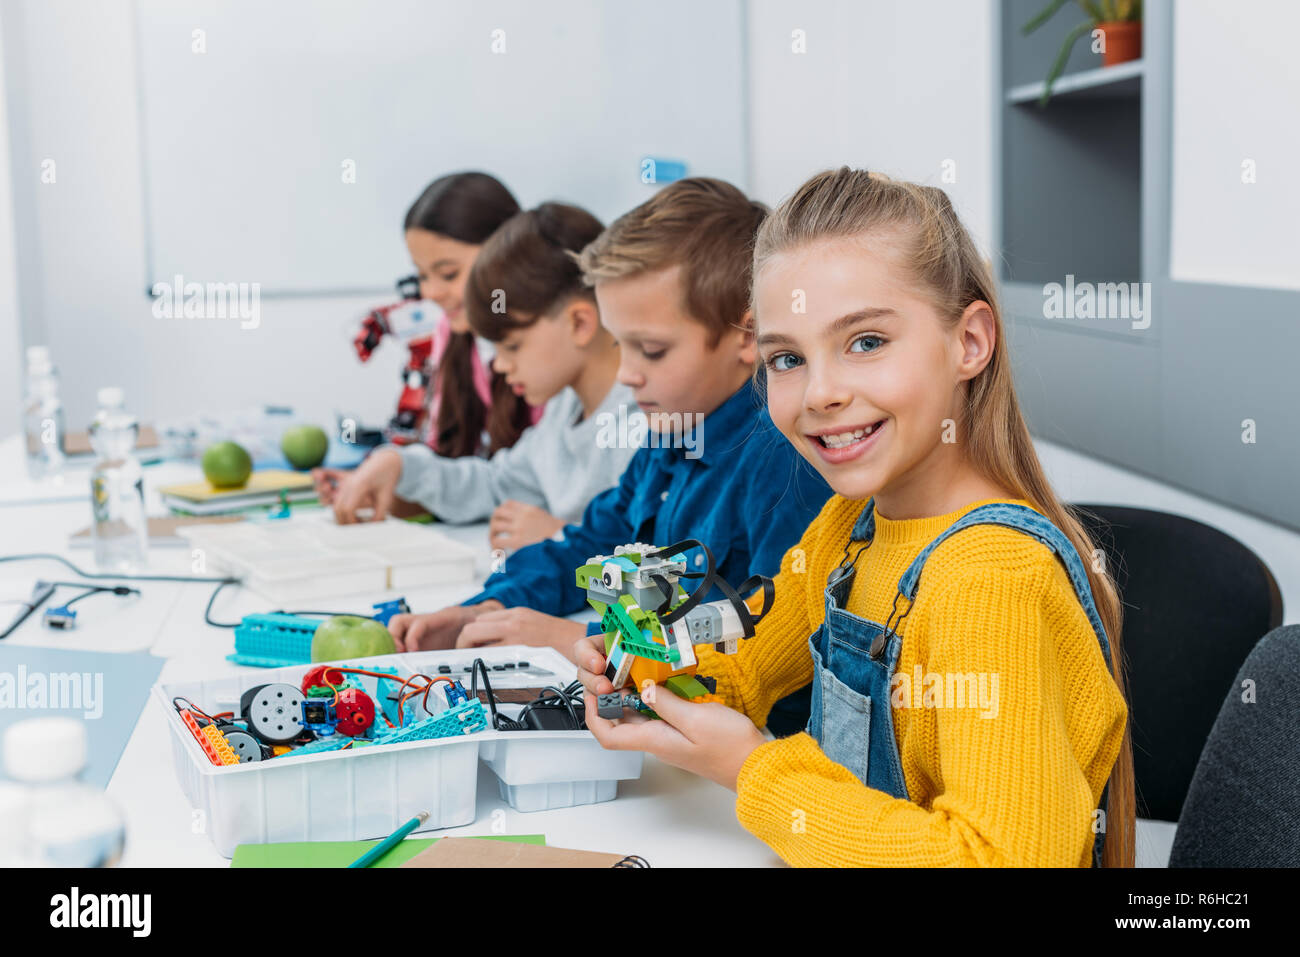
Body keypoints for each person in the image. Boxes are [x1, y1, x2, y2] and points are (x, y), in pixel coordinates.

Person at [574, 168, 1134, 867]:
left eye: (865, 341)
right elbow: (744, 667)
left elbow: (998, 859)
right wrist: (651, 664)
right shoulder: (847, 527)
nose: (822, 392)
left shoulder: (990, 579)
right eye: (787, 357)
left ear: (970, 342)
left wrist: (755, 770)